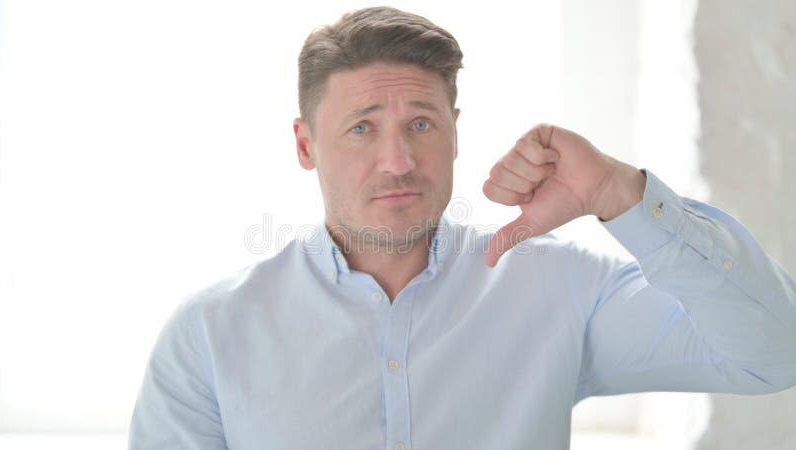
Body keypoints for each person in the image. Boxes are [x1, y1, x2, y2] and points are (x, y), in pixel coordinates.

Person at [128, 6, 796, 450]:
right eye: (362, 128)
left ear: (454, 133)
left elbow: (771, 354)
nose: (398, 161)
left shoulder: (558, 289)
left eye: (421, 123)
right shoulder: (212, 334)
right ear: (305, 145)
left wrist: (621, 195)